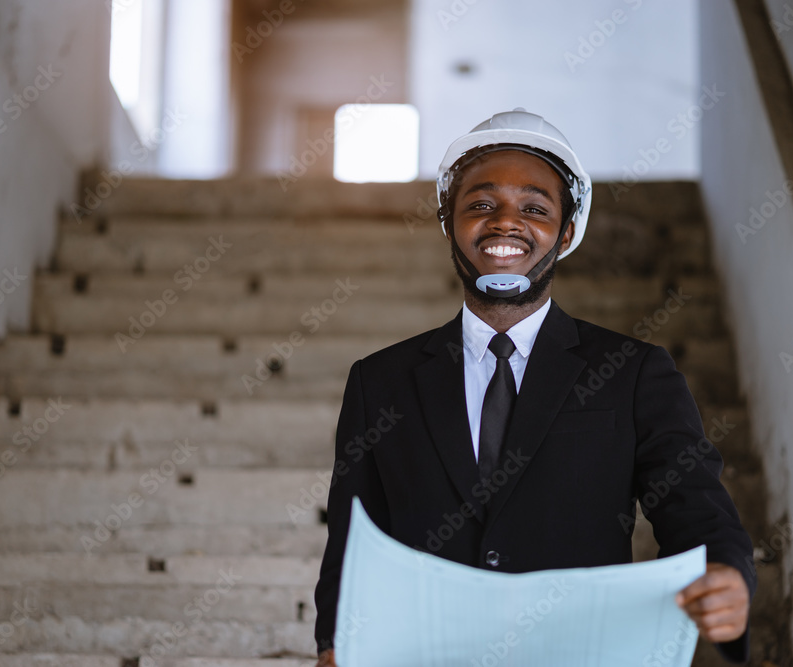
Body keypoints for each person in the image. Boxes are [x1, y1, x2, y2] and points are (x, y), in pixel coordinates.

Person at [313, 109, 755, 666]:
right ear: (449, 224)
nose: (504, 222)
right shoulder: (380, 382)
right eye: (480, 204)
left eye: (534, 208)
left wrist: (728, 573)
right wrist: (334, 641)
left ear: (565, 232)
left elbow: (695, 505)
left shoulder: (633, 371)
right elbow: (353, 540)